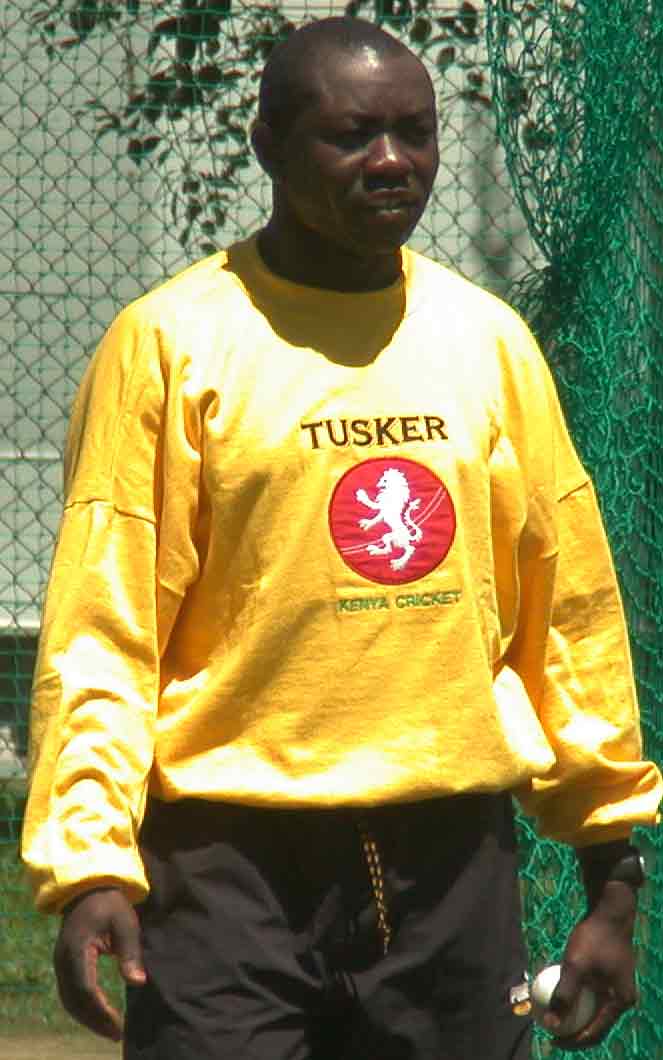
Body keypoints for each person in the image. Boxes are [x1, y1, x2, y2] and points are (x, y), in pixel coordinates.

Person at [21, 16, 662, 1060]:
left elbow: (569, 619)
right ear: (268, 143)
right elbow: (106, 627)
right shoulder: (172, 344)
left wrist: (612, 879)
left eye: (416, 132)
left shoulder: (486, 344)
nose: (392, 161)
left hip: (452, 861)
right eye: (354, 134)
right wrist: (91, 862)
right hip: (230, 865)